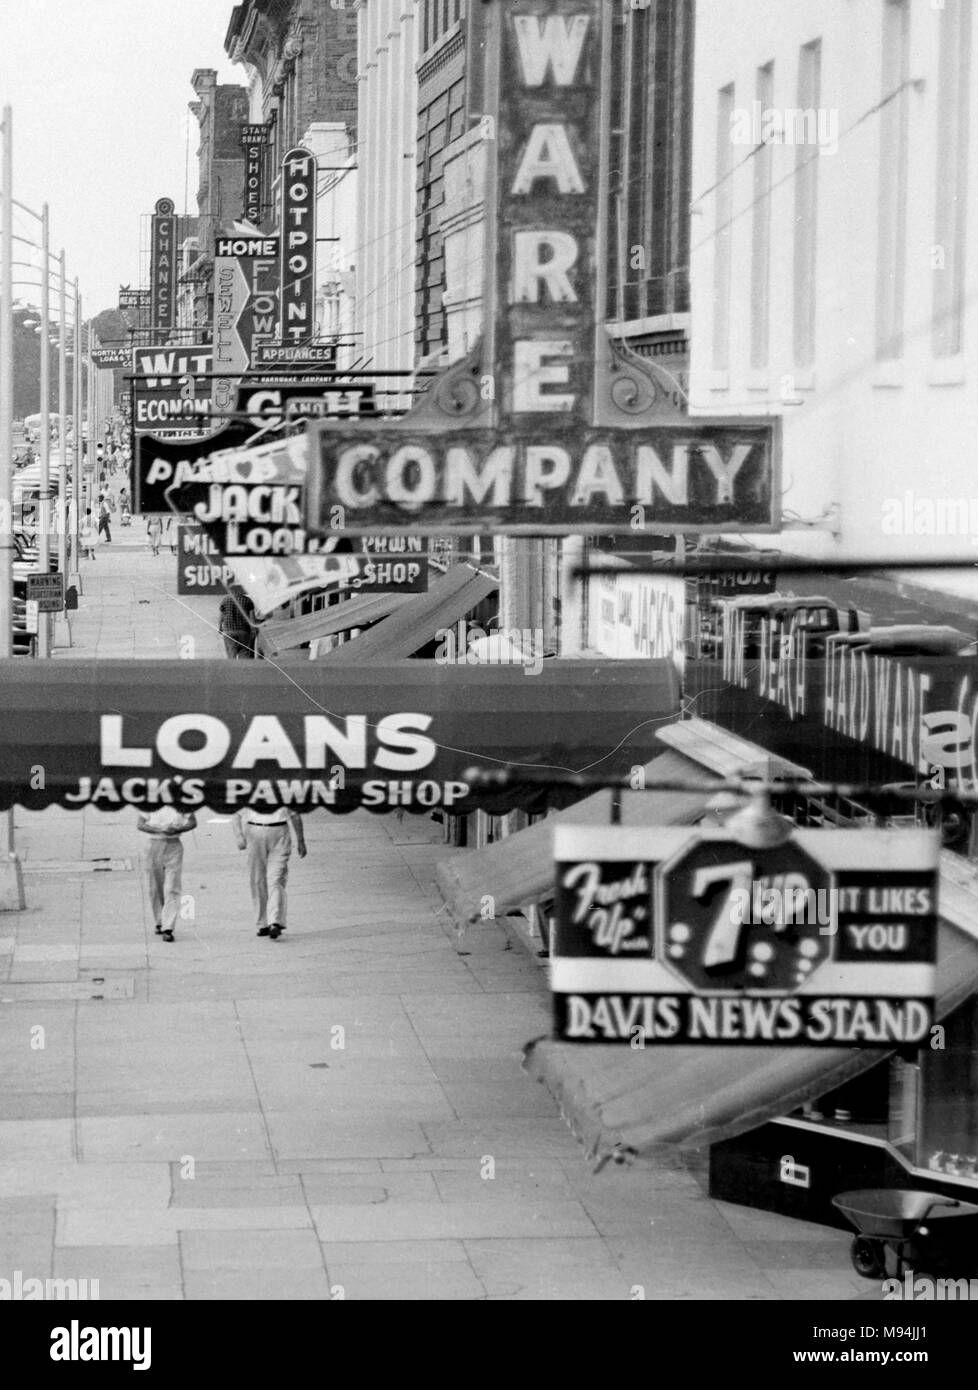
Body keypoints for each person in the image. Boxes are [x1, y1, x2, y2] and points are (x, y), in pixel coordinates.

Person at [231, 807, 306, 939]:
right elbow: (236, 814)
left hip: (280, 832)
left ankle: (275, 921)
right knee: (257, 879)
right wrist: (239, 835)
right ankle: (262, 923)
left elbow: (294, 814)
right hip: (254, 832)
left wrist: (301, 840)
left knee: (276, 878)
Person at [137, 806, 198, 942]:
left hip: (174, 845)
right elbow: (140, 824)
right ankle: (159, 920)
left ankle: (168, 927)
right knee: (155, 886)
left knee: (171, 887)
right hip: (154, 844)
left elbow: (192, 822)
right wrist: (159, 830)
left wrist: (179, 829)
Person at [218, 585, 257, 658]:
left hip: (229, 632)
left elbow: (221, 616)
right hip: (244, 631)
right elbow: (252, 618)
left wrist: (220, 627)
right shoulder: (247, 600)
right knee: (245, 654)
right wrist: (254, 630)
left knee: (231, 655)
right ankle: (244, 668)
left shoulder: (225, 600)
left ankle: (232, 668)